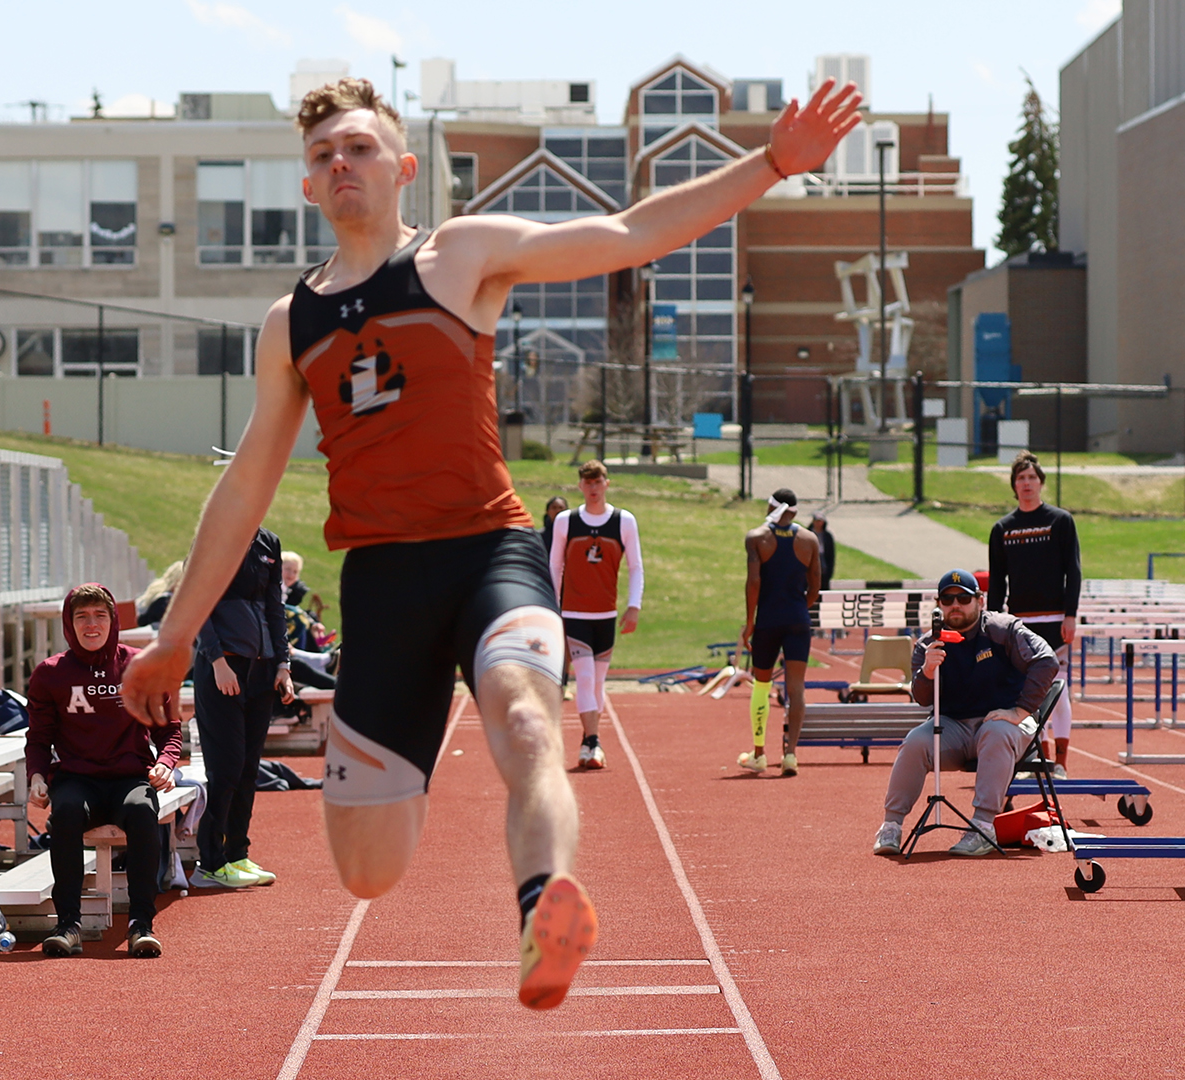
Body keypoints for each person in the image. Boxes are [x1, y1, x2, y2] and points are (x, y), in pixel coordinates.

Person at [119, 75, 862, 1010]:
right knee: (368, 869)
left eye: (359, 147)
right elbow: (244, 488)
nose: (341, 162)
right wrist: (177, 635)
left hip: (489, 556)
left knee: (525, 719)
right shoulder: (291, 324)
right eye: (323, 154)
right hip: (383, 587)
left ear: (403, 168)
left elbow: (628, 233)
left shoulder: (459, 256)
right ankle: (405, 753)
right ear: (307, 185)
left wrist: (771, 164)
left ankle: (545, 907)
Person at [26, 583, 181, 959]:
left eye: (100, 616)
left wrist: (165, 763)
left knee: (142, 811)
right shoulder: (50, 674)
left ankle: (141, 924)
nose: (91, 624)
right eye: (81, 616)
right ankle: (68, 925)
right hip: (77, 779)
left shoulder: (140, 666)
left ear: (113, 621)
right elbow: (39, 738)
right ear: (69, 624)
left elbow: (169, 730)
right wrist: (37, 776)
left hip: (130, 777)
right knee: (64, 812)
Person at [872, 569, 1058, 857]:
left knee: (995, 732)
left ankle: (982, 827)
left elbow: (1046, 660)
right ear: (938, 604)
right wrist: (927, 671)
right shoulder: (928, 644)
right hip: (955, 727)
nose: (955, 605)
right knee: (915, 741)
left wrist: (1020, 710)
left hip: (1005, 725)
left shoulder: (1003, 629)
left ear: (980, 601)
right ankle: (891, 826)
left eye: (963, 598)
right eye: (947, 599)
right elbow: (922, 699)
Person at [189, 526, 294, 890]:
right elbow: (197, 606)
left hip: (262, 671)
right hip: (221, 669)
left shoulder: (269, 542)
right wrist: (217, 661)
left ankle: (237, 854)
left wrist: (283, 664)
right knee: (227, 768)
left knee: (249, 768)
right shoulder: (211, 537)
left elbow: (275, 606)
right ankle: (210, 863)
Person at [987, 451, 1080, 772]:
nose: (1026, 483)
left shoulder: (1061, 521)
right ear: (1014, 485)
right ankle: (1040, 758)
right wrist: (993, 624)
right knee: (1028, 695)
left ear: (1041, 483)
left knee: (1059, 691)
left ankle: (1061, 762)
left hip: (1055, 621)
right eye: (1020, 478)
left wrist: (1071, 614)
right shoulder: (1002, 528)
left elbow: (1073, 570)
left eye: (1031, 478)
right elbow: (997, 581)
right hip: (1020, 625)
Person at [547, 460, 642, 770]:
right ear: (580, 486)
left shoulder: (624, 521)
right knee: (585, 678)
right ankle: (593, 741)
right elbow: (555, 566)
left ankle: (589, 741)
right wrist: (552, 606)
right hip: (574, 613)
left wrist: (634, 605)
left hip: (606, 614)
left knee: (598, 683)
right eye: (587, 482)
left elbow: (636, 567)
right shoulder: (566, 521)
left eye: (597, 482)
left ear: (606, 484)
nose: (592, 488)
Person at [739, 489, 821, 777]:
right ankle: (790, 755)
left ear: (770, 507)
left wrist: (750, 621)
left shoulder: (756, 537)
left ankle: (759, 754)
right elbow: (815, 586)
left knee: (762, 686)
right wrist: (797, 608)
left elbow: (754, 582)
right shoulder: (810, 540)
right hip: (798, 620)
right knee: (796, 688)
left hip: (768, 620)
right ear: (795, 512)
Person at [809, 510, 836, 591]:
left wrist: (829, 572)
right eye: (817, 521)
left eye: (820, 521)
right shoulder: (807, 534)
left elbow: (831, 555)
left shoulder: (828, 536)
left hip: (823, 567)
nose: (819, 523)